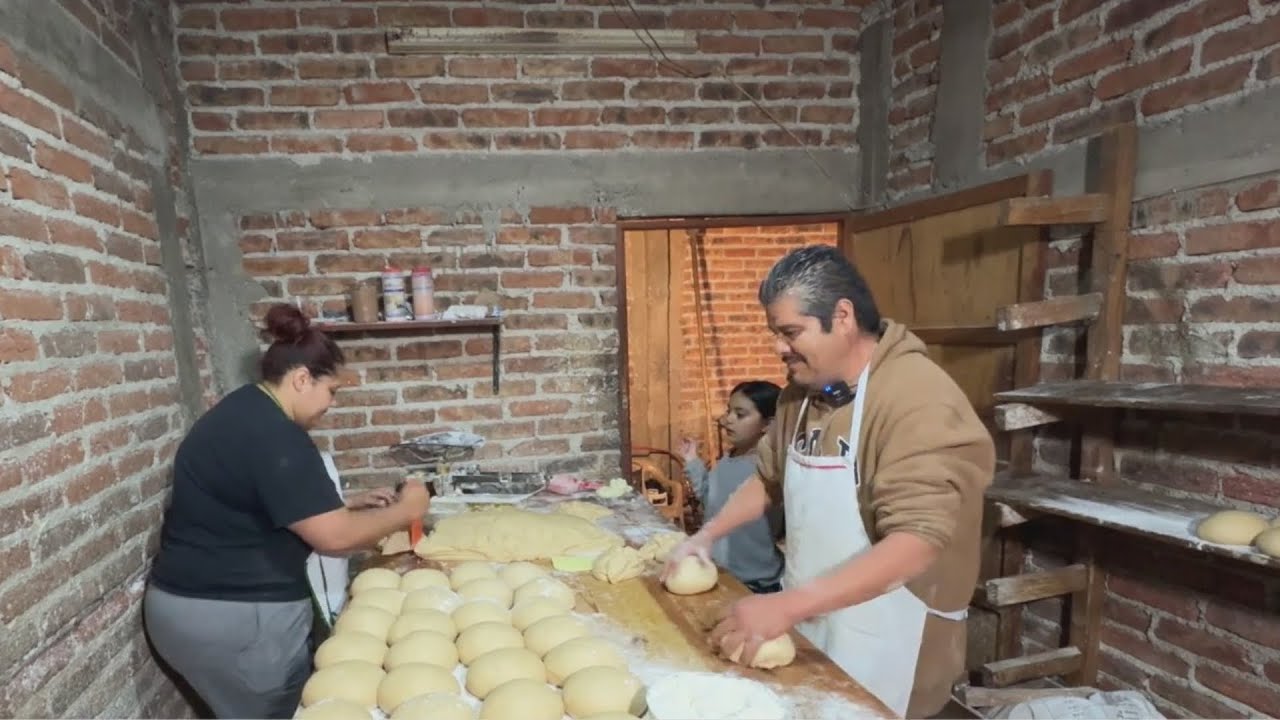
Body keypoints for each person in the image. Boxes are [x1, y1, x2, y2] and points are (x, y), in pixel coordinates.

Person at [663, 245, 995, 718]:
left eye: (790, 332)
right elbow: (768, 479)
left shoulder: (918, 400)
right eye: (776, 333)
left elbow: (918, 541)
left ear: (842, 317)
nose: (778, 348)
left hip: (893, 640)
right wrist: (706, 536)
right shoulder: (801, 394)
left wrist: (788, 606)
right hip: (812, 619)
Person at [143, 303, 430, 719]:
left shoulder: (242, 410)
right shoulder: (278, 437)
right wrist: (409, 509)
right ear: (301, 379)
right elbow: (335, 539)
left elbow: (250, 498)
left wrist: (341, 503)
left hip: (188, 605)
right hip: (236, 620)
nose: (331, 404)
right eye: (331, 391)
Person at [679, 380, 785, 594]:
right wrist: (692, 461)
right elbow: (711, 503)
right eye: (729, 411)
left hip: (756, 582)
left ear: (768, 424)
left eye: (740, 414)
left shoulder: (770, 471)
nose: (728, 419)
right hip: (719, 572)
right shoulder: (730, 458)